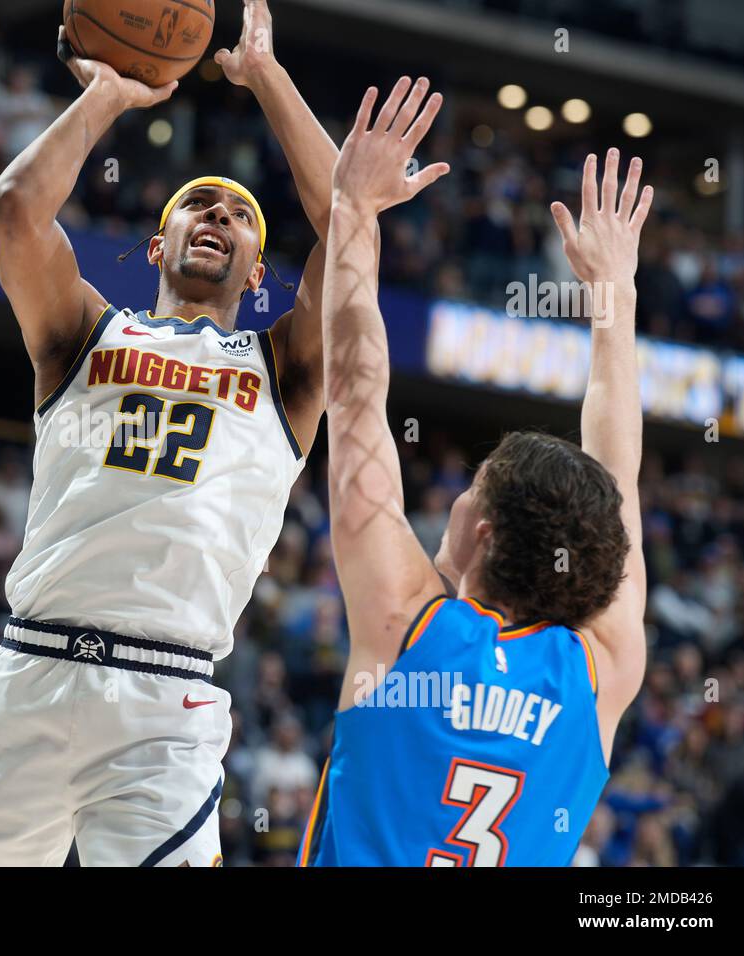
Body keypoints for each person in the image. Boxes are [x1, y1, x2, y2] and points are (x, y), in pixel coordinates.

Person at [0, 2, 338, 866]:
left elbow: (352, 228)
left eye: (237, 215)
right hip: (30, 671)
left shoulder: (286, 368)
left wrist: (266, 75)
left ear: (259, 271)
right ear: (157, 245)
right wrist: (109, 94)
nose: (217, 215)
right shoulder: (84, 332)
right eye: (199, 205)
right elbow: (13, 211)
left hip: (164, 700)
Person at [300, 78, 653, 866]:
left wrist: (352, 212)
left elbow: (355, 389)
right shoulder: (600, 672)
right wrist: (616, 299)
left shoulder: (409, 628)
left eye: (470, 489)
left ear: (481, 532)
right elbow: (618, 473)